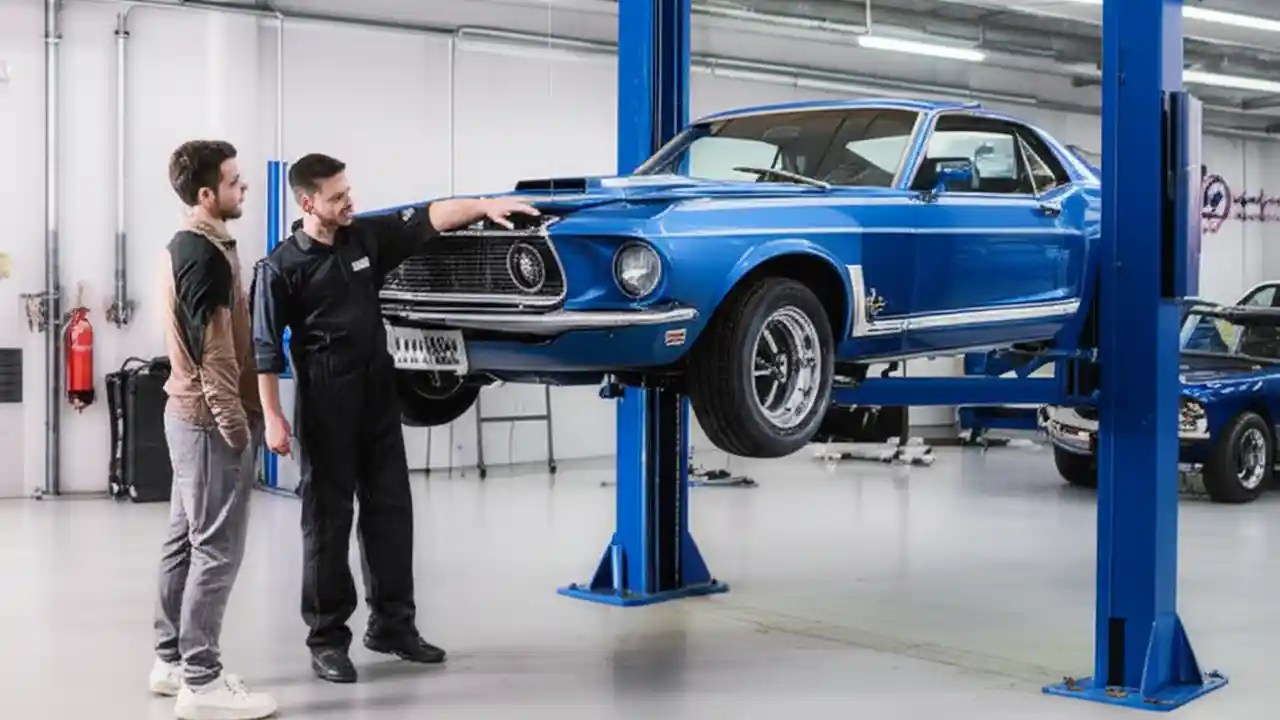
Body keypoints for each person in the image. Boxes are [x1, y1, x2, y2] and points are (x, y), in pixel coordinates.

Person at [251, 153, 539, 684]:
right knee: (327, 522)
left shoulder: (365, 237)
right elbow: (264, 352)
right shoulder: (280, 267)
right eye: (337, 196)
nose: (350, 202)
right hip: (325, 400)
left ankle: (393, 626)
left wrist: (484, 206)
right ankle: (327, 639)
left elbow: (429, 216)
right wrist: (272, 417)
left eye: (349, 191)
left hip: (378, 394)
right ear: (308, 203)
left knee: (390, 511)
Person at [151, 139, 277, 720]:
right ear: (207, 194)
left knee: (185, 541)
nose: (242, 187)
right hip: (207, 422)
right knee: (217, 549)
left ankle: (171, 662)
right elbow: (215, 356)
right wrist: (237, 429)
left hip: (186, 417)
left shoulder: (185, 245)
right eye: (233, 181)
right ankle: (201, 680)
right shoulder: (205, 256)